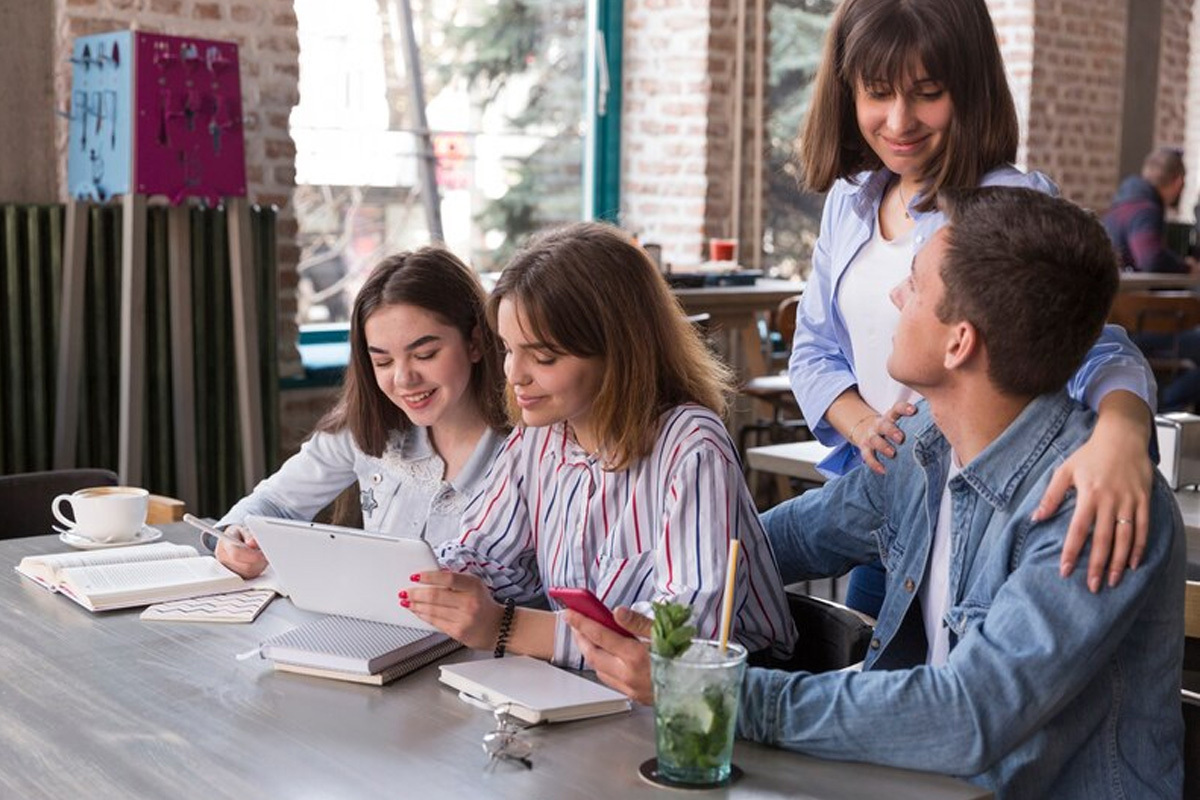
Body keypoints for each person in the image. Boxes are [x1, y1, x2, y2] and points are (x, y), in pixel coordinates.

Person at [569, 187, 1185, 798]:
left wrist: (706, 689)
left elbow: (969, 715)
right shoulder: (925, 445)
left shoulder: (1091, 505)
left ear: (959, 342)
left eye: (913, 286)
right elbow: (772, 542)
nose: (894, 296)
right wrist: (660, 597)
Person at [787, 0, 1157, 616]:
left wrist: (1121, 431)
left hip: (984, 514)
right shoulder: (851, 201)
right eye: (877, 93)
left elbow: (1093, 347)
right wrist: (860, 424)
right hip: (889, 500)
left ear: (969, 89)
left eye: (927, 93)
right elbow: (815, 348)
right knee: (875, 673)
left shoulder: (1007, 200)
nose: (899, 120)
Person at [403, 222, 796, 667]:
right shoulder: (538, 438)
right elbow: (488, 555)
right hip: (589, 687)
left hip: (722, 704)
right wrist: (449, 587)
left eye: (544, 357)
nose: (514, 375)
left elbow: (682, 636)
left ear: (619, 352)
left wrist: (504, 626)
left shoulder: (691, 447)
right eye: (508, 349)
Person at [210, 247, 510, 578]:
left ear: (476, 343)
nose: (403, 379)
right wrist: (235, 536)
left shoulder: (527, 454)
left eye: (425, 354)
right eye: (382, 361)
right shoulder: (367, 426)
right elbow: (273, 504)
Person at [1103, 146, 1197, 274]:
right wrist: (1188, 268)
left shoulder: (1124, 202)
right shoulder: (1145, 211)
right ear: (1178, 182)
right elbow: (1151, 259)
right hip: (1124, 292)